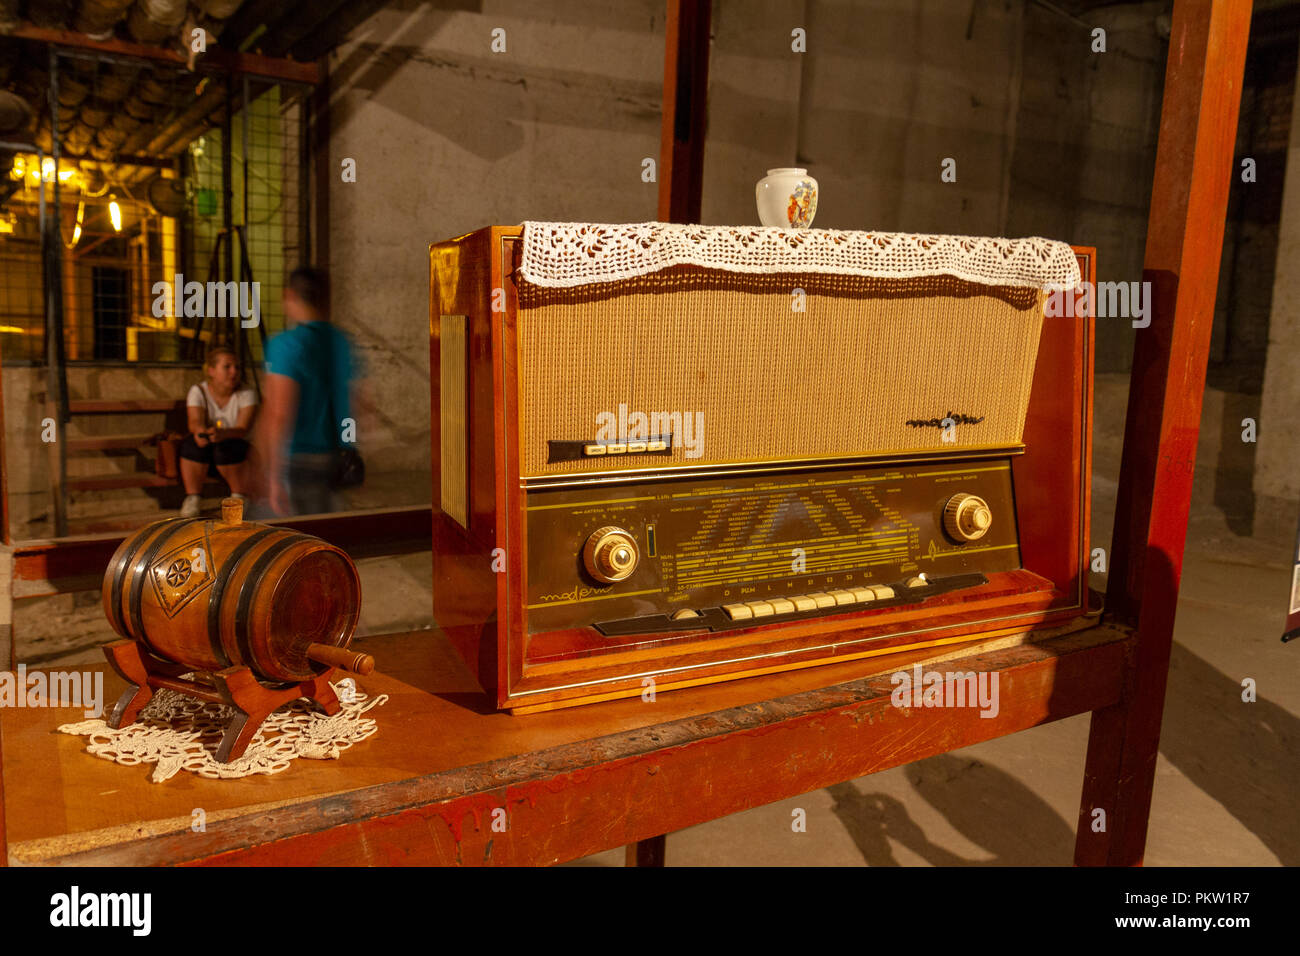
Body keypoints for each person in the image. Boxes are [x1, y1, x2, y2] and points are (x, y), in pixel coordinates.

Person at [257, 266, 358, 516]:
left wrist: (273, 477)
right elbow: (355, 402)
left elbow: (279, 413)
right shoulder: (340, 341)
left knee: (293, 541)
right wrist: (348, 445)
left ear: (290, 296)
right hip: (332, 457)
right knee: (324, 532)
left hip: (297, 460)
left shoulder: (284, 345)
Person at [180, 346, 257, 517]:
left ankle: (239, 497)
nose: (234, 372)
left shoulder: (246, 393)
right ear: (211, 370)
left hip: (236, 452)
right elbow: (194, 421)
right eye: (227, 367)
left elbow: (242, 429)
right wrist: (201, 433)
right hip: (209, 452)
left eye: (237, 367)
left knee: (227, 447)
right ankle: (193, 498)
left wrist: (223, 434)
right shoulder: (198, 391)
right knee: (192, 444)